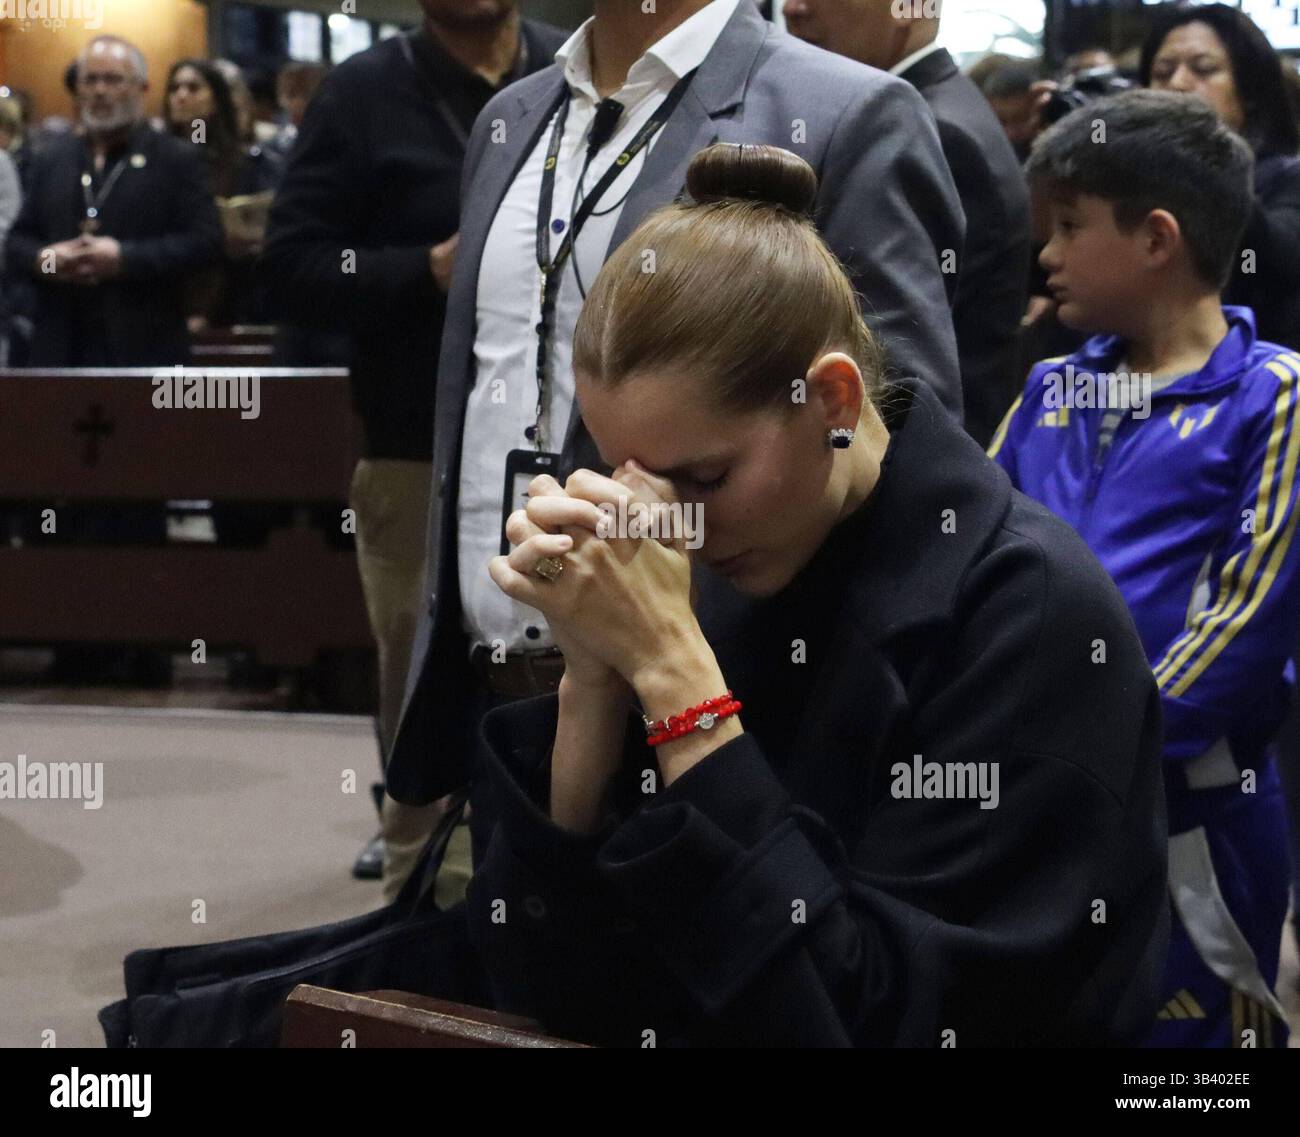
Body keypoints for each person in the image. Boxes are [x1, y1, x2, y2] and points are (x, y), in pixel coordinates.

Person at [458, 142, 1167, 1047]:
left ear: (832, 399)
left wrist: (677, 678)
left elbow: (864, 1020)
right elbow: (545, 981)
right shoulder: (716, 554)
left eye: (705, 477)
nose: (672, 526)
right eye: (634, 479)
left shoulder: (1026, 617)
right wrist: (591, 685)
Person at [383, 0, 967, 864]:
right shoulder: (509, 117)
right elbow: (482, 384)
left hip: (715, 705)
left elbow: (896, 437)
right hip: (493, 669)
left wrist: (669, 660)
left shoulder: (845, 108)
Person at [990, 90, 1298, 1047]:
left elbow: (1245, 628)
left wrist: (1081, 753)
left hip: (1191, 825)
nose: (1046, 254)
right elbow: (974, 562)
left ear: (1158, 238)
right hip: (1037, 810)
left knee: (1190, 1060)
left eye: (1070, 227)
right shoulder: (1049, 387)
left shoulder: (1273, 399)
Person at [260, 0, 566, 898]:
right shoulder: (360, 92)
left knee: (563, 675)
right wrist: (422, 270)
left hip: (567, 443)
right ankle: (417, 904)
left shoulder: (573, 70)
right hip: (412, 449)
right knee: (421, 674)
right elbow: (291, 266)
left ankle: (547, 892)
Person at [784, 0, 1031, 445]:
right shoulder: (944, 104)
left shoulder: (929, 125)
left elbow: (895, 361)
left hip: (917, 464)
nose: (792, 8)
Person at [4, 35, 221, 366]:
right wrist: (49, 261)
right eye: (90, 79)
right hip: (60, 349)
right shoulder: (52, 157)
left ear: (141, 88)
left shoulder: (177, 159)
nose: (100, 90)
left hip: (146, 346)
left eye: (113, 79)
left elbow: (205, 244)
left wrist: (124, 259)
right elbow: (18, 244)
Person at [1140, 3, 1300, 351]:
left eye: (1204, 69)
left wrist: (1204, 152)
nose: (1178, 84)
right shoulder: (1131, 179)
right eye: (1163, 72)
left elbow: (1270, 262)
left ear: (1249, 92)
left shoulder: (1288, 175)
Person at [163, 58, 283, 328]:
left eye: (193, 88)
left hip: (236, 293)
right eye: (175, 88)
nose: (181, 95)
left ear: (216, 99)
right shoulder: (155, 160)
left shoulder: (245, 162)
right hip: (172, 294)